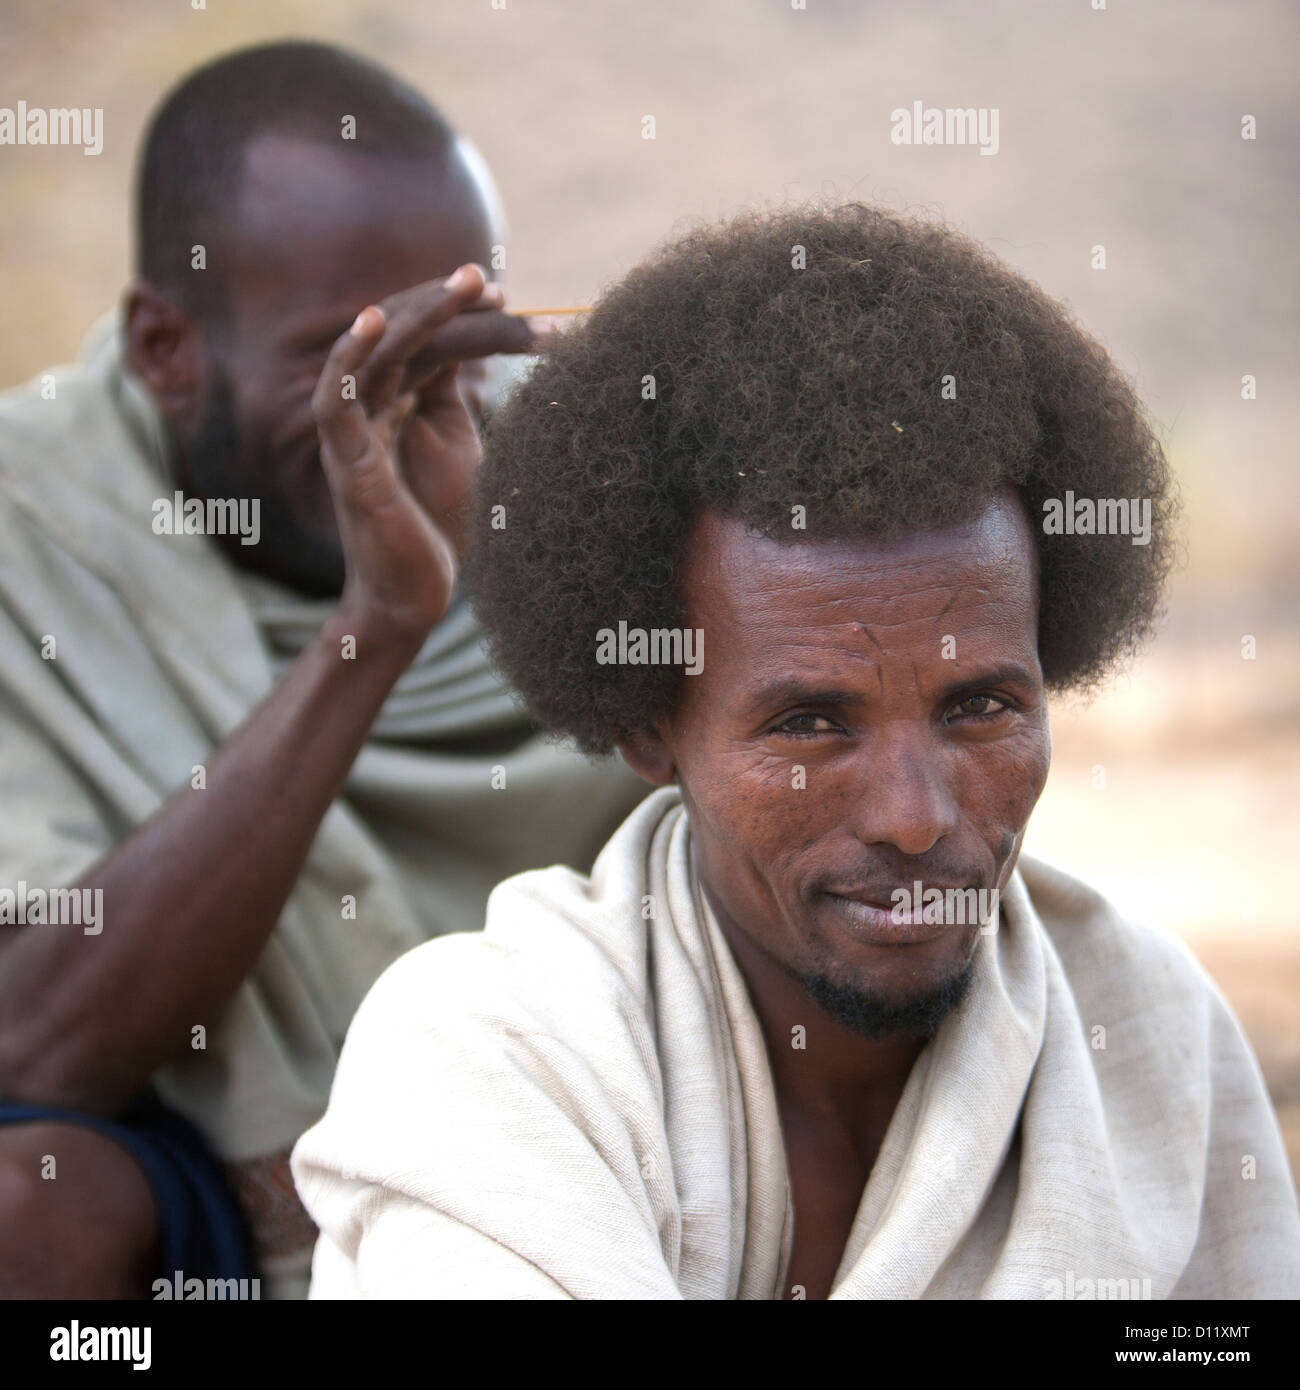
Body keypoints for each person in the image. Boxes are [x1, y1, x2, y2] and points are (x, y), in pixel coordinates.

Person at [292, 203, 1300, 1299]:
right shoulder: (497, 1052)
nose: (916, 817)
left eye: (980, 708)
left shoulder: (1145, 1035)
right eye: (809, 724)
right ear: (644, 722)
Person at [0, 41, 647, 1299]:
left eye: (452, 343)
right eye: (344, 355)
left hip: (577, 1137)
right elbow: (33, 1045)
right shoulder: (28, 531)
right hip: (206, 1182)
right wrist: (382, 624)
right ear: (164, 345)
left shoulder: (570, 504)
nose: (406, 404)